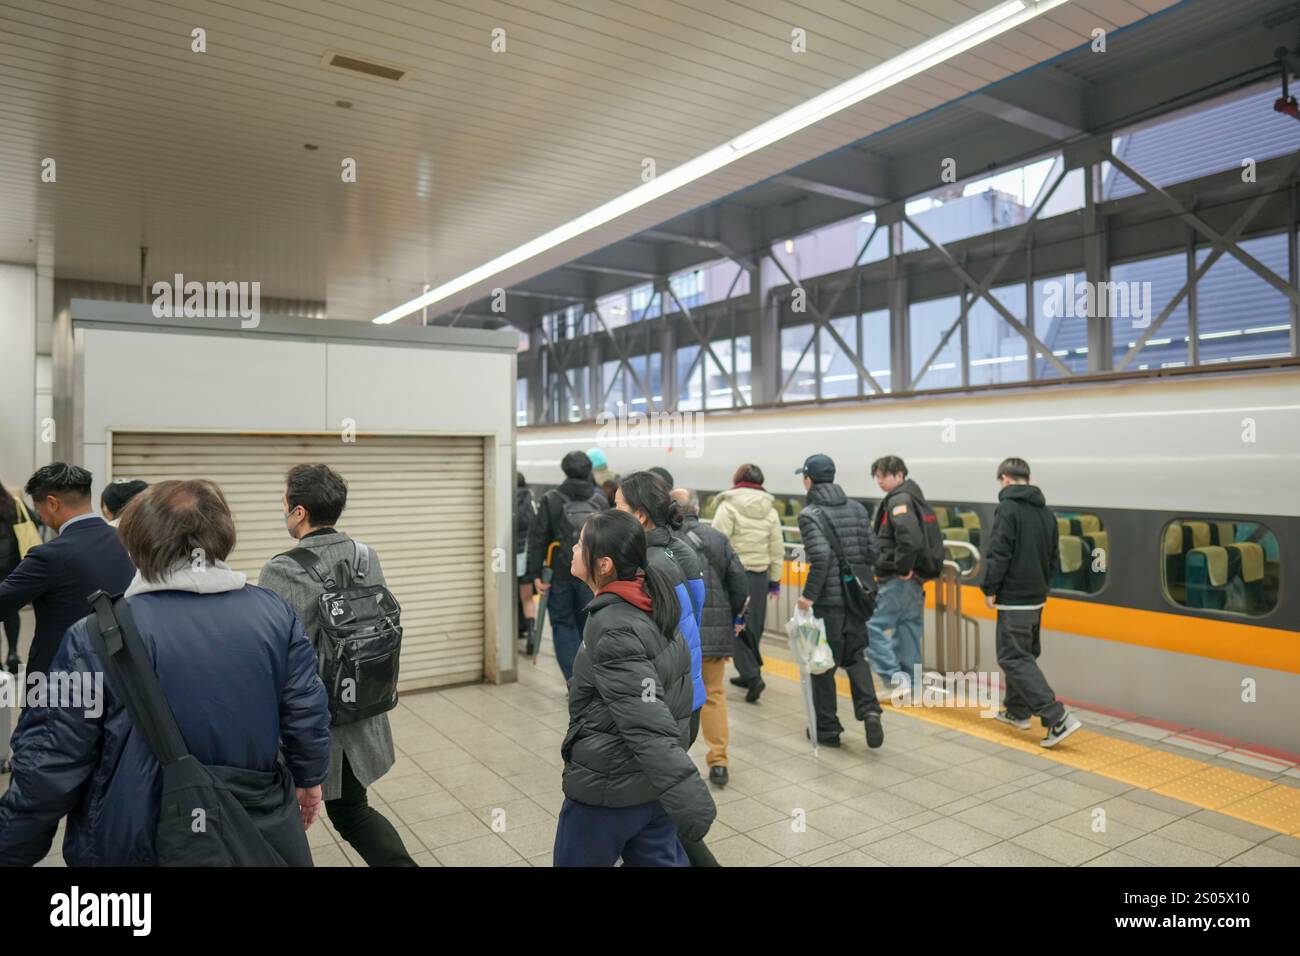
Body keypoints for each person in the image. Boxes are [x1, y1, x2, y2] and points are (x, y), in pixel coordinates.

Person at [0, 479, 331, 866]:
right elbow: (306, 710)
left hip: (135, 838)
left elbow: (47, 763)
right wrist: (309, 780)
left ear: (133, 541)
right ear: (223, 535)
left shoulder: (93, 637)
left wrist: (11, 849)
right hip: (252, 825)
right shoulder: (274, 614)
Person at [259, 464, 416, 866]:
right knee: (352, 810)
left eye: (284, 501)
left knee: (284, 817)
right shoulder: (366, 556)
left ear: (298, 512)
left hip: (309, 718)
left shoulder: (283, 569)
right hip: (362, 704)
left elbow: (271, 653)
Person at [553, 509, 715, 867]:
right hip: (646, 789)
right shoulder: (650, 599)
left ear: (604, 564)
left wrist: (689, 797)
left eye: (581, 545)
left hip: (607, 790)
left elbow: (646, 721)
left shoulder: (613, 625)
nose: (574, 549)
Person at [0, 464, 135, 677]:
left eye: (38, 509)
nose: (41, 516)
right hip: (118, 671)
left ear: (52, 503)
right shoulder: (125, 540)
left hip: (61, 676)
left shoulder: (49, 556)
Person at [983, 458, 1082, 748]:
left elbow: (999, 551)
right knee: (1024, 654)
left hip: (1013, 598)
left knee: (1012, 657)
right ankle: (1018, 711)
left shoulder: (1007, 509)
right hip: (1036, 598)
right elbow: (1053, 557)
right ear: (1027, 477)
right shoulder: (1046, 514)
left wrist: (991, 587)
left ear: (1004, 479)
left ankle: (1056, 717)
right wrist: (1041, 587)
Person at [795, 454, 884, 749]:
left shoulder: (810, 514)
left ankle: (828, 728)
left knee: (823, 664)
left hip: (828, 604)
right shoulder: (858, 508)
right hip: (856, 600)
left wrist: (808, 596)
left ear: (809, 479)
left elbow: (820, 558)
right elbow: (873, 551)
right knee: (856, 657)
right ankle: (870, 711)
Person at [673, 488, 748, 788]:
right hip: (714, 632)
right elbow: (739, 582)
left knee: (676, 696)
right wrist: (736, 619)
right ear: (696, 508)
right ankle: (718, 761)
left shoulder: (666, 543)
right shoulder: (717, 537)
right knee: (714, 694)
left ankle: (676, 762)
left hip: (677, 634)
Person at [525, 451, 609, 681]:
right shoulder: (600, 499)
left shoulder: (552, 498)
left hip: (560, 573)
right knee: (590, 625)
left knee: (563, 625)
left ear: (565, 470)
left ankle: (575, 682)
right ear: (589, 469)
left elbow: (538, 538)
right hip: (592, 575)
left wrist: (535, 575)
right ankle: (591, 679)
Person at [710, 463, 784, 702]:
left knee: (735, 627)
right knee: (754, 626)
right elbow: (777, 547)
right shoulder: (770, 510)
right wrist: (775, 579)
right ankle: (749, 672)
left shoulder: (728, 505)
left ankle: (752, 676)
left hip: (735, 575)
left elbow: (717, 543)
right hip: (760, 577)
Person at [867, 455, 940, 694]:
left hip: (899, 580)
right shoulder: (915, 497)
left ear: (899, 475)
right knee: (908, 630)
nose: (879, 481)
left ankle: (895, 681)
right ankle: (913, 687)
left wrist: (902, 567)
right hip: (915, 581)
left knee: (871, 627)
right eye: (877, 476)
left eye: (883, 476)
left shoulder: (899, 500)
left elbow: (910, 539)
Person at [0, 481, 24, 674]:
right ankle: (13, 653)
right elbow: (34, 521)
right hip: (11, 565)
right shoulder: (13, 504)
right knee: (10, 611)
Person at [514, 472, 537, 643]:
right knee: (527, 599)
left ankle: (512, 629)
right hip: (527, 559)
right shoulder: (531, 501)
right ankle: (531, 635)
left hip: (506, 559)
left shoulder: (505, 499)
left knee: (508, 597)